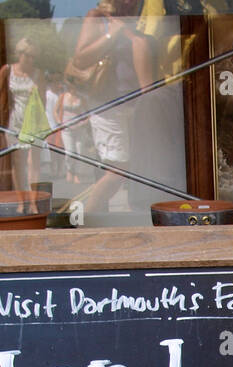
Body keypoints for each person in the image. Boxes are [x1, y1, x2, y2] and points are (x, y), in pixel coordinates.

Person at [69, 0, 153, 215]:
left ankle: (105, 217)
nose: (128, 2)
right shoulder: (98, 17)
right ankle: (84, 218)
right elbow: (80, 59)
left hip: (134, 105)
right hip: (108, 106)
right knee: (118, 169)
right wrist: (112, 34)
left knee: (130, 167)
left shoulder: (142, 19)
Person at [0, 36, 47, 192]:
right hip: (15, 120)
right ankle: (21, 199)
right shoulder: (7, 70)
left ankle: (34, 200)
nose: (30, 60)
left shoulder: (38, 74)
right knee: (18, 162)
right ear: (20, 54)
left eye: (33, 57)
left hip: (33, 121)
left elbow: (43, 99)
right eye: (28, 56)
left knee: (34, 161)